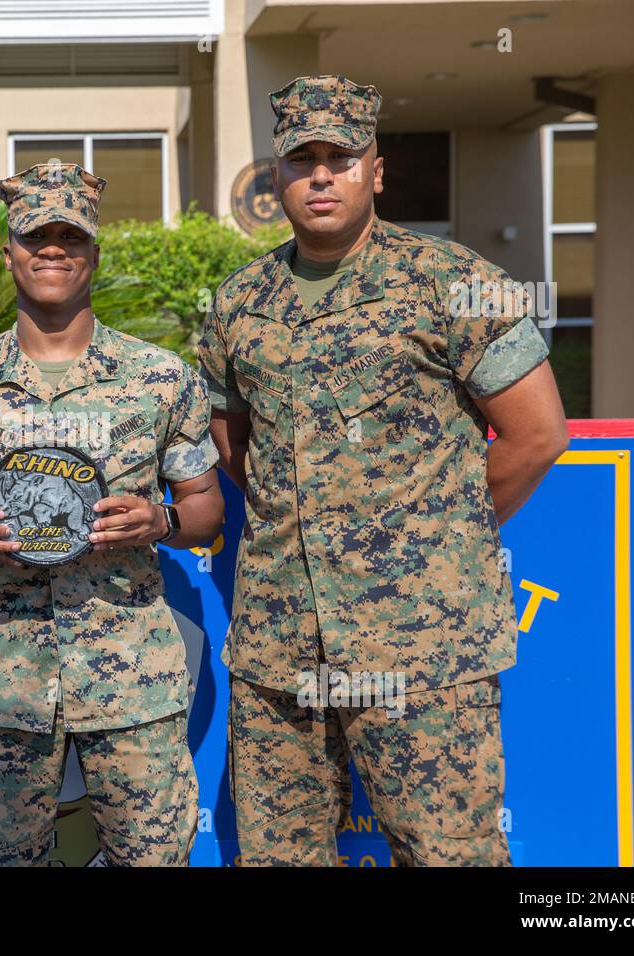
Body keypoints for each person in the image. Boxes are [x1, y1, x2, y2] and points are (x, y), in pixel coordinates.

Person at [198, 75, 570, 866]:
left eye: (342, 156)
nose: (321, 175)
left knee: (446, 855)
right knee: (279, 858)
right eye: (303, 159)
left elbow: (536, 436)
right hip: (279, 648)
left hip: (422, 647)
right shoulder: (238, 302)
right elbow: (235, 447)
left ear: (377, 169)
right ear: (278, 178)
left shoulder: (451, 284)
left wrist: (435, 537)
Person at [0, 163, 226, 865]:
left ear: (95, 255)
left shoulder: (161, 380)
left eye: (69, 236)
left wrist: (159, 521)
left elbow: (207, 511)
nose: (52, 250)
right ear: (8, 253)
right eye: (34, 236)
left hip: (130, 681)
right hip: (1, 688)